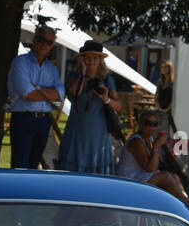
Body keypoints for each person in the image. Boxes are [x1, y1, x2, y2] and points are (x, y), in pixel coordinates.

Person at [119, 110, 189, 221]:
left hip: (138, 177)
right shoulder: (137, 141)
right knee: (166, 177)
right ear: (140, 124)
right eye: (148, 123)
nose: (151, 127)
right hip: (129, 182)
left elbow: (154, 165)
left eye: (155, 124)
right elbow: (150, 168)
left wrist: (156, 145)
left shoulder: (148, 139)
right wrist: (156, 146)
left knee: (174, 177)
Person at [58, 41, 120, 175]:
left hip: (98, 134)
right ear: (82, 59)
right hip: (77, 132)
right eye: (88, 57)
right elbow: (75, 92)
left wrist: (106, 99)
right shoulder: (74, 77)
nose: (91, 61)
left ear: (100, 60)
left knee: (97, 174)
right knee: (72, 174)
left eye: (95, 58)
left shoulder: (107, 79)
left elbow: (119, 106)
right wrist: (84, 74)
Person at [7, 25, 65, 169]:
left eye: (49, 42)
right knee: (20, 166)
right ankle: (16, 192)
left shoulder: (52, 69)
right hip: (23, 119)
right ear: (34, 40)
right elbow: (28, 94)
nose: (44, 45)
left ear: (52, 46)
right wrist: (48, 94)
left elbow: (60, 95)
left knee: (34, 167)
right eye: (41, 40)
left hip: (44, 120)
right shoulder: (20, 62)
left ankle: (29, 192)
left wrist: (37, 87)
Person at [156, 60, 176, 135]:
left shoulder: (173, 82)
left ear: (169, 69)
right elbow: (156, 97)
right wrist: (159, 108)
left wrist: (168, 109)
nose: (163, 69)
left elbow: (174, 97)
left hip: (170, 110)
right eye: (162, 67)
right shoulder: (160, 82)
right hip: (160, 109)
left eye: (165, 67)